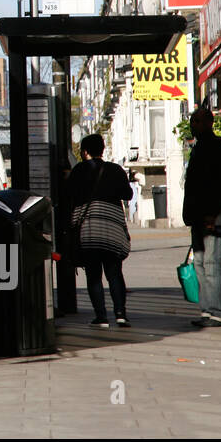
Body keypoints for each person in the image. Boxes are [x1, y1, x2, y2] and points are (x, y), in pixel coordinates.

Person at [65, 134, 133, 328]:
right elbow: (127, 194)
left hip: (89, 229)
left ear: (85, 151)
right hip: (112, 228)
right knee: (114, 272)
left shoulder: (79, 170)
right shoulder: (116, 169)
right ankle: (120, 314)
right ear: (102, 149)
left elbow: (69, 193)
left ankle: (101, 317)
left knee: (93, 274)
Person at [182, 106, 221, 327]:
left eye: (197, 121)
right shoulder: (199, 148)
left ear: (208, 123)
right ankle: (207, 310)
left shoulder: (217, 148)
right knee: (201, 264)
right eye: (192, 121)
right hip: (197, 216)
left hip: (212, 215)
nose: (192, 125)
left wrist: (215, 213)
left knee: (213, 264)